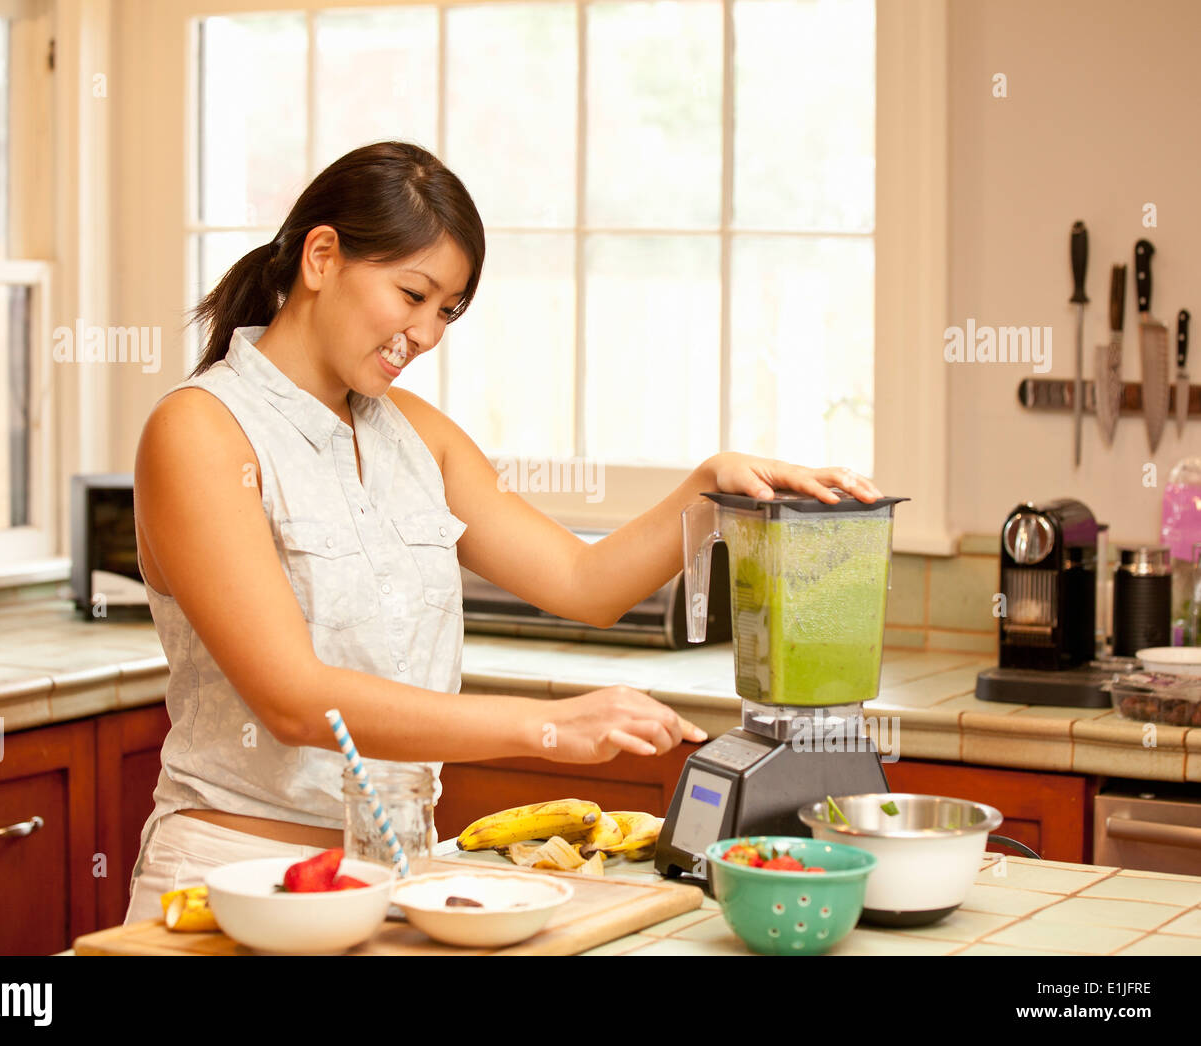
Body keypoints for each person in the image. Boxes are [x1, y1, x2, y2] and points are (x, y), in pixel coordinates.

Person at [124, 141, 881, 922]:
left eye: (446, 311)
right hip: (237, 880)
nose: (424, 333)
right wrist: (550, 726)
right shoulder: (201, 433)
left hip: (393, 882)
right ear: (321, 256)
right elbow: (294, 699)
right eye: (412, 294)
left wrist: (709, 489)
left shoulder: (413, 434)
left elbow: (584, 585)